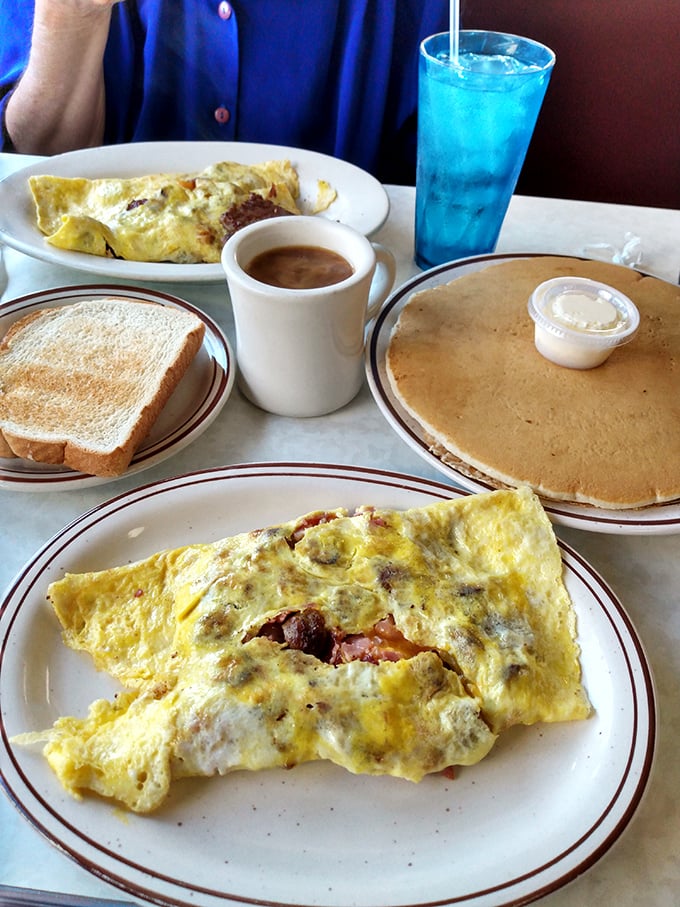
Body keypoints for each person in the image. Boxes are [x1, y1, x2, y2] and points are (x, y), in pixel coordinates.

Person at [0, 0, 449, 185]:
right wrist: (73, 15)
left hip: (337, 297)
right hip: (102, 286)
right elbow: (39, 165)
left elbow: (430, 206)